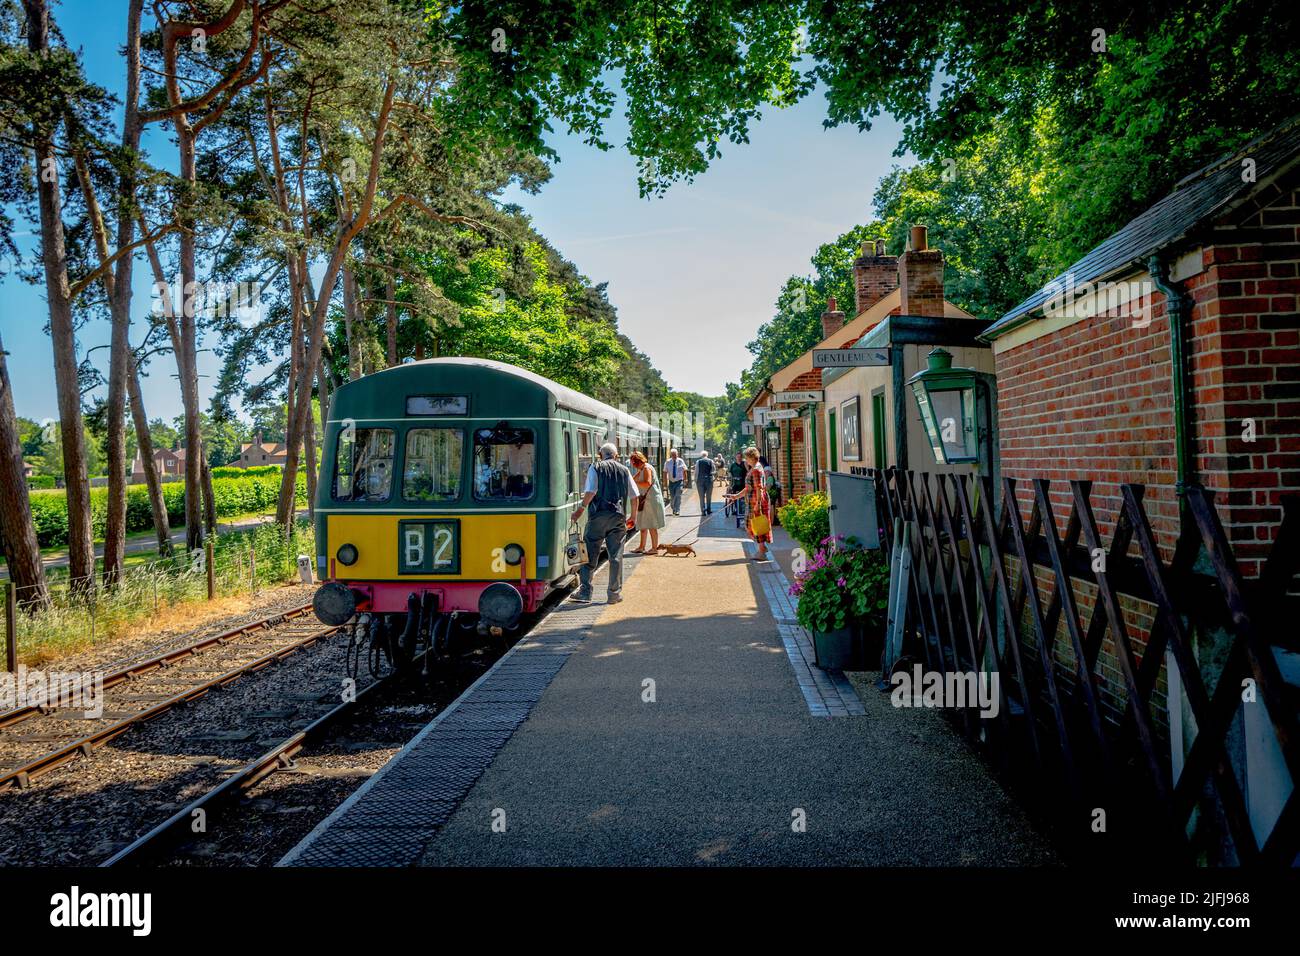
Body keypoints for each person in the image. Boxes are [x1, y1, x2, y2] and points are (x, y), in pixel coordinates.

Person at [571, 442, 636, 604]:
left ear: (601, 455)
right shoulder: (625, 470)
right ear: (616, 456)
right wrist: (633, 516)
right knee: (615, 556)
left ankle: (585, 592)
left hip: (598, 516)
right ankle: (614, 594)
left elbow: (591, 491)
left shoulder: (596, 467)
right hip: (618, 517)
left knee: (589, 553)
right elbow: (635, 496)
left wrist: (581, 509)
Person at [725, 446, 772, 561]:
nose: (745, 460)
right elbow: (748, 488)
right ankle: (762, 548)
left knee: (757, 526)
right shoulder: (754, 468)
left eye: (747, 457)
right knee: (750, 525)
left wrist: (758, 504)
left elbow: (759, 488)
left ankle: (761, 552)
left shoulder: (756, 469)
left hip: (756, 501)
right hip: (752, 500)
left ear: (752, 457)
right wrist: (735, 496)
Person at [627, 450, 666, 553]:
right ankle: (641, 547)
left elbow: (647, 483)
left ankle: (654, 548)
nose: (633, 465)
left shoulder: (647, 468)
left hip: (651, 500)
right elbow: (633, 479)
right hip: (645, 500)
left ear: (637, 462)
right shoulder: (642, 468)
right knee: (643, 524)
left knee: (652, 525)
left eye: (633, 463)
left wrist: (635, 482)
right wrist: (632, 480)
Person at [663, 448, 686, 516]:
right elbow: (665, 472)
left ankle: (677, 510)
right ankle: (673, 507)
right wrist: (664, 482)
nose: (674, 456)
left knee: (678, 495)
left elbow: (684, 470)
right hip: (671, 482)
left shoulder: (681, 461)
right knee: (673, 497)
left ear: (677, 454)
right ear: (671, 455)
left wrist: (685, 479)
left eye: (675, 455)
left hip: (679, 481)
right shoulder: (667, 462)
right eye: (673, 455)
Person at [726, 452, 747, 520]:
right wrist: (729, 482)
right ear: (736, 457)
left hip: (743, 482)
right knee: (734, 494)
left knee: (743, 495)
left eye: (740, 456)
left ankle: (743, 509)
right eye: (737, 457)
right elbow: (730, 473)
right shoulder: (733, 465)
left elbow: (748, 471)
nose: (738, 458)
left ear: (741, 457)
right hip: (735, 482)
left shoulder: (744, 464)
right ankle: (736, 508)